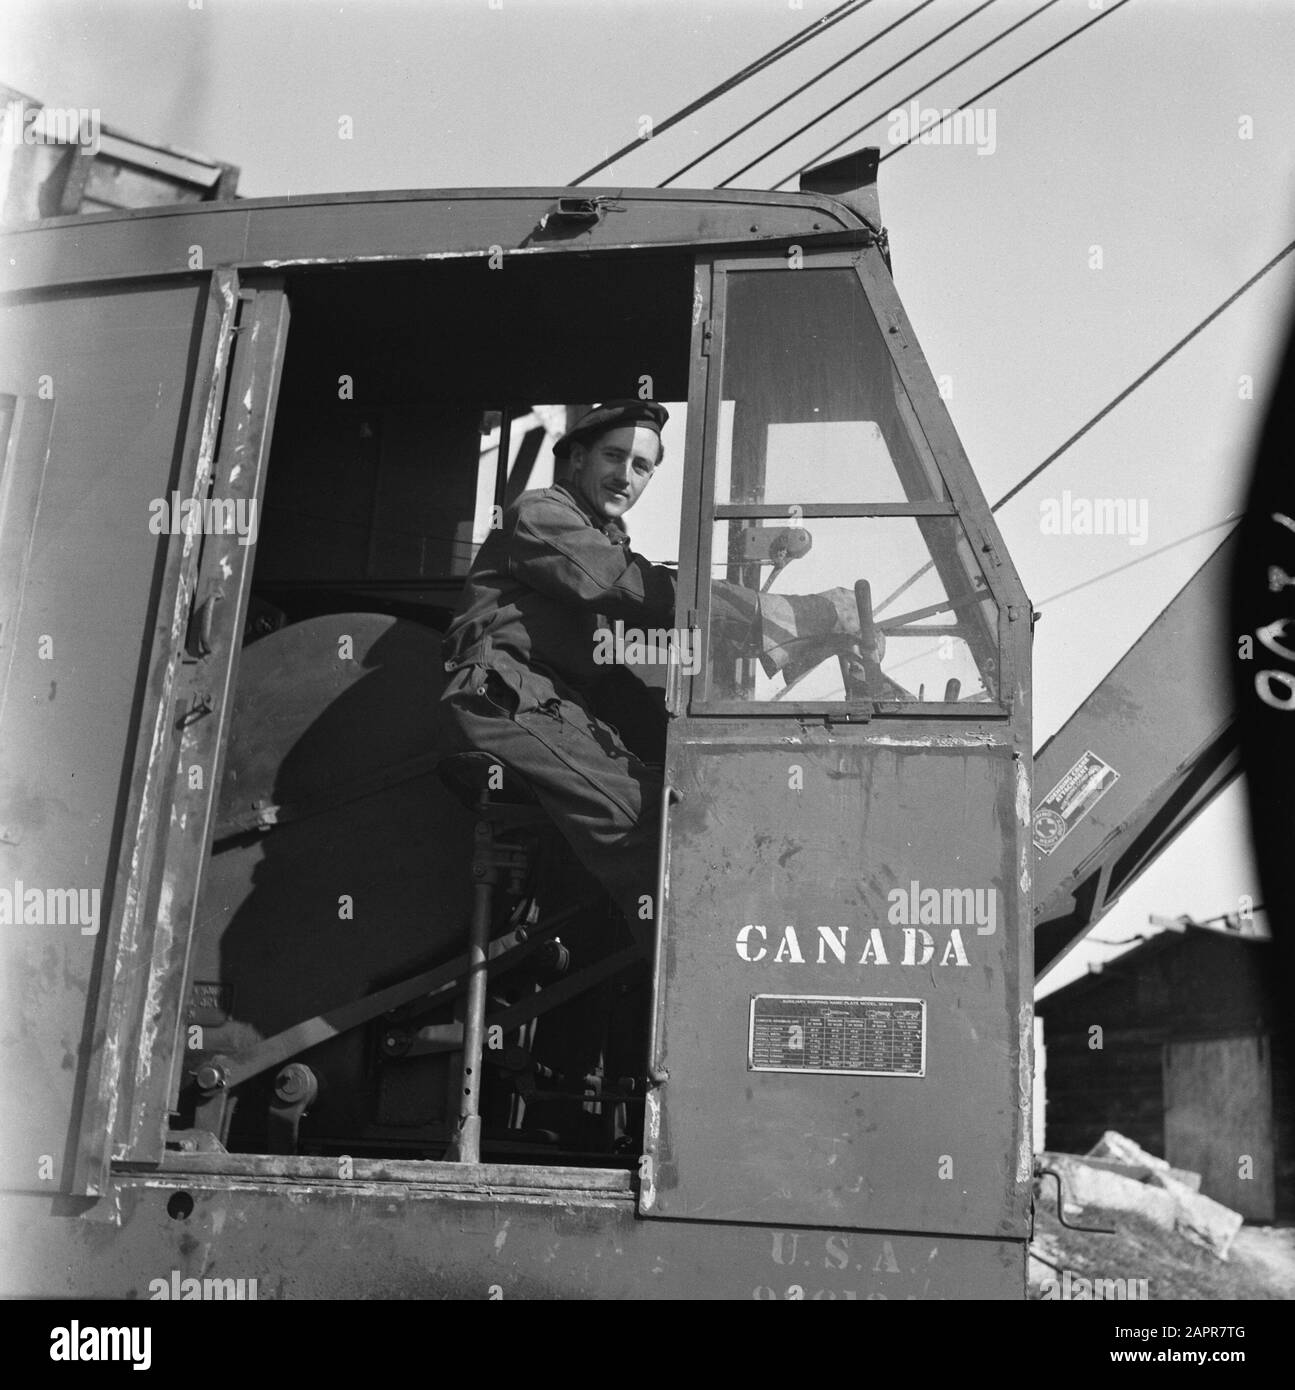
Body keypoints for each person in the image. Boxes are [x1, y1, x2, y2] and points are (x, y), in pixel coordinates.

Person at [435, 399, 876, 947]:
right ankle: (704, 964)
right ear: (576, 460)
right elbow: (623, 585)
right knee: (652, 822)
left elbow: (624, 648)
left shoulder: (599, 537)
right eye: (614, 456)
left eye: (642, 466)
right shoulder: (541, 515)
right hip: (504, 698)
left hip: (550, 702)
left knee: (692, 781)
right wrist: (789, 615)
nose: (625, 474)